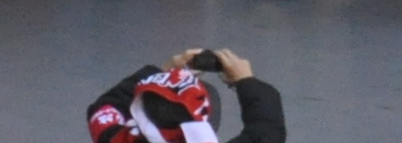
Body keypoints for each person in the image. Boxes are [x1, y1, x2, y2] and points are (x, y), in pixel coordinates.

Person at [86, 51, 283, 143]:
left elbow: (105, 108)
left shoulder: (115, 139)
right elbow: (267, 131)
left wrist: (159, 71)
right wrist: (246, 81)